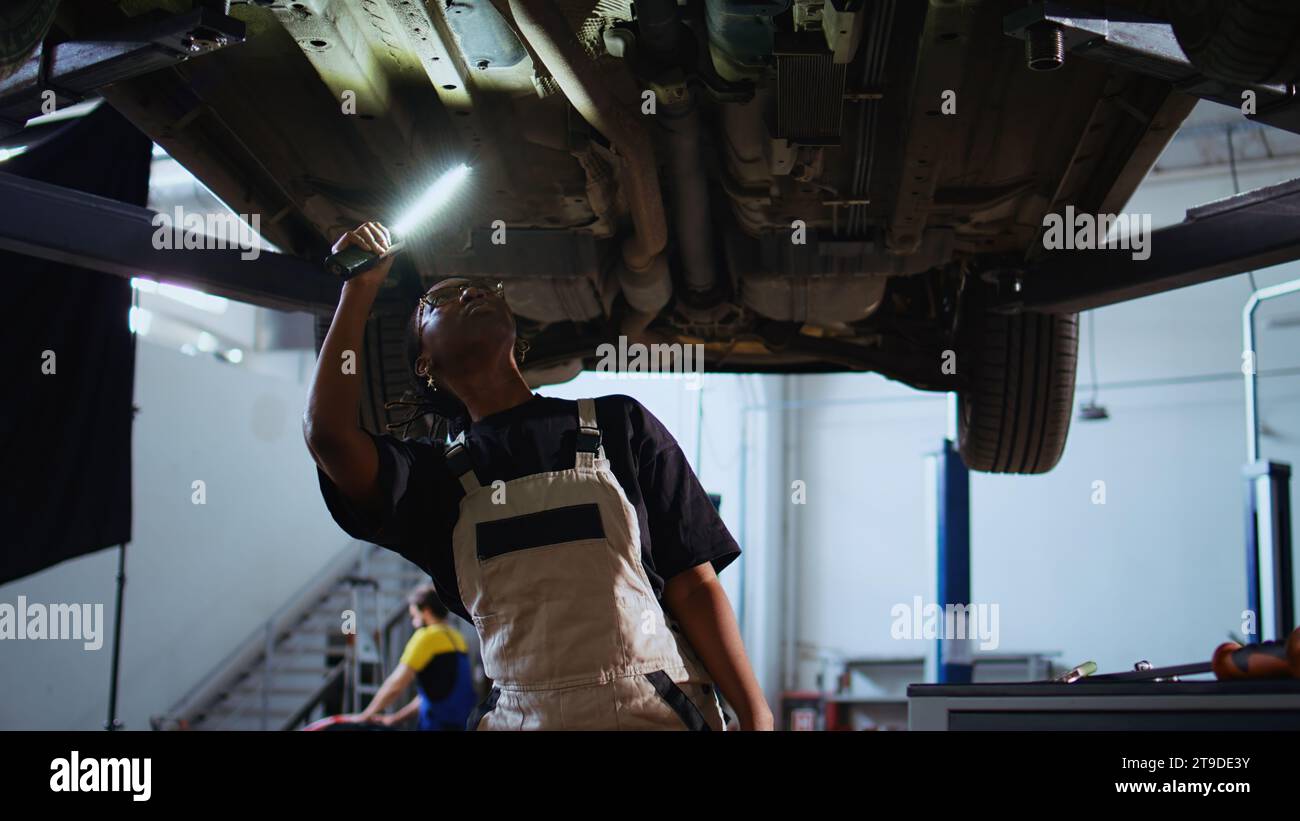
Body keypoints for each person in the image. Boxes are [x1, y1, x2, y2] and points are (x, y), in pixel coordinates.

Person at [304, 220, 772, 730]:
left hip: (656, 713)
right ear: (425, 363)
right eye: (439, 300)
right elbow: (328, 435)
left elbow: (694, 585)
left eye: (481, 290)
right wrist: (359, 288)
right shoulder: (431, 480)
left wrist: (755, 713)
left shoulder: (619, 424)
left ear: (515, 335)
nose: (468, 295)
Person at [351, 584, 476, 731]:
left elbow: (395, 684)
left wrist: (365, 715)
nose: (413, 623)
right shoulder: (458, 638)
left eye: (414, 616)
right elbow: (433, 696)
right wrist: (395, 718)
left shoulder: (426, 637)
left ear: (426, 611)